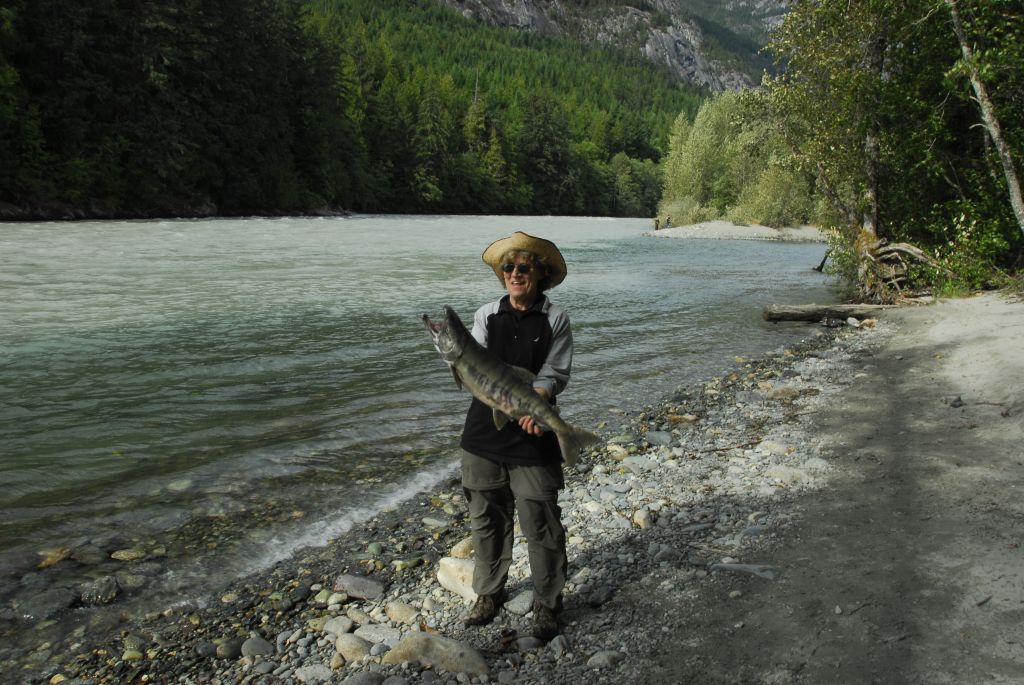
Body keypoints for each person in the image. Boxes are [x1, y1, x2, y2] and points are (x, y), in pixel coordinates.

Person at [459, 231, 574, 641]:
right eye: (508, 267)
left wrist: (537, 398)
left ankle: (547, 601)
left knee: (540, 518)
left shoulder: (555, 318)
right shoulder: (486, 314)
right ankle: (489, 593)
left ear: (540, 274)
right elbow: (472, 361)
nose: (514, 274)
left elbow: (554, 373)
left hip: (535, 428)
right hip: (483, 431)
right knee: (485, 517)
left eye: (524, 268)